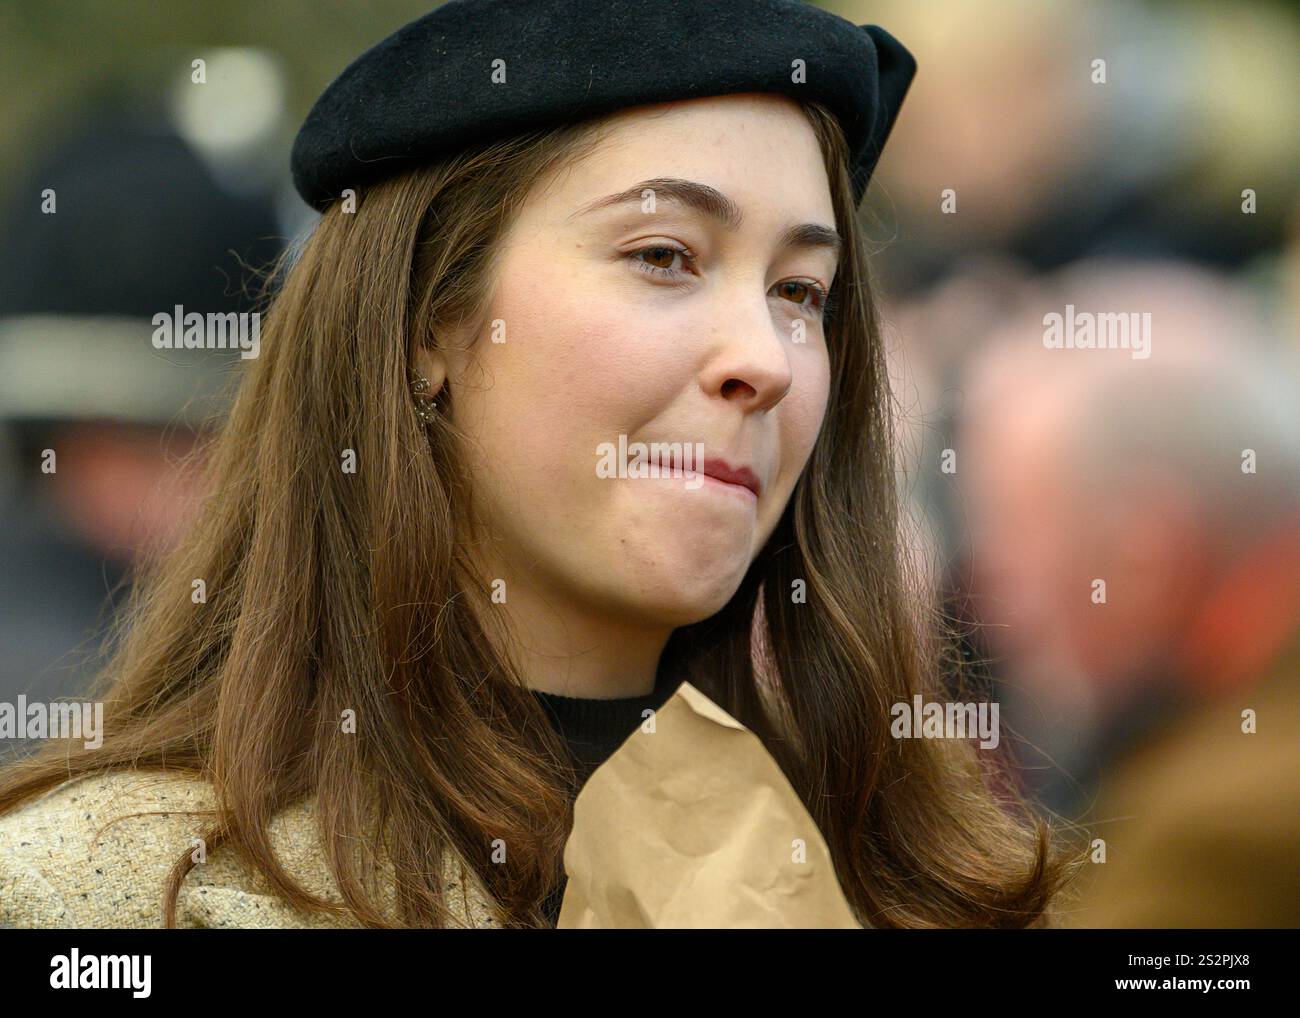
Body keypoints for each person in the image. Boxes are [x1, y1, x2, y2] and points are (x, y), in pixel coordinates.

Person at [0, 0, 1077, 929]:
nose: (765, 358)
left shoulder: (923, 884)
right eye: (664, 256)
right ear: (428, 319)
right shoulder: (100, 899)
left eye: (800, 290)